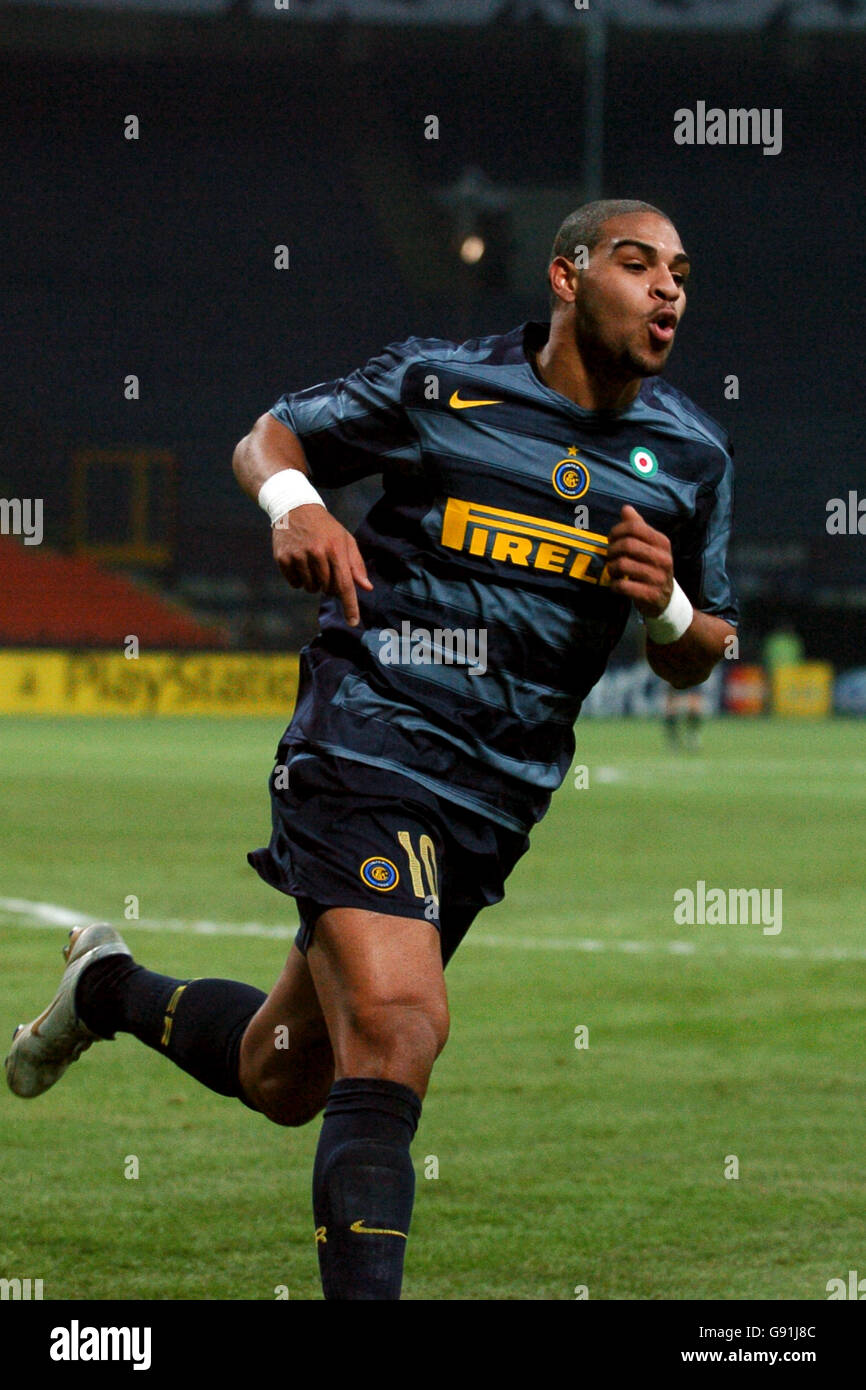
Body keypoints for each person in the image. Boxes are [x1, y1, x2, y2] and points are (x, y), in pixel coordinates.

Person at [6, 199, 738, 1300]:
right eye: (636, 265)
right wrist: (294, 505)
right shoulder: (440, 385)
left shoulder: (687, 454)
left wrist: (670, 611)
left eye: (679, 270)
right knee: (400, 1025)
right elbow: (271, 435)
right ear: (565, 276)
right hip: (366, 737)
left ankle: (106, 987)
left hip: (492, 805)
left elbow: (705, 646)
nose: (666, 288)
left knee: (285, 1071)